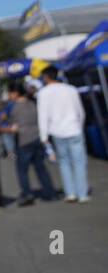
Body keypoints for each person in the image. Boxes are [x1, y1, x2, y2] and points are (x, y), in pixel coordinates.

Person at [37, 66, 89, 202]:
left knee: (64, 163)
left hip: (57, 131)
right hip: (74, 129)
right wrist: (79, 126)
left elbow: (43, 116)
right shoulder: (71, 89)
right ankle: (82, 194)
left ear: (46, 77)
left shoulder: (43, 93)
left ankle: (70, 193)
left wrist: (44, 136)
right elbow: (80, 112)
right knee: (79, 162)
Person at [0, 83, 56, 205]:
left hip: (23, 140)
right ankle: (50, 192)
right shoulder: (33, 103)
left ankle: (27, 194)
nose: (9, 96)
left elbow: (5, 120)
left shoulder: (13, 107)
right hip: (37, 137)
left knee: (22, 170)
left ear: (15, 93)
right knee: (40, 167)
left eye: (10, 93)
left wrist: (3, 127)